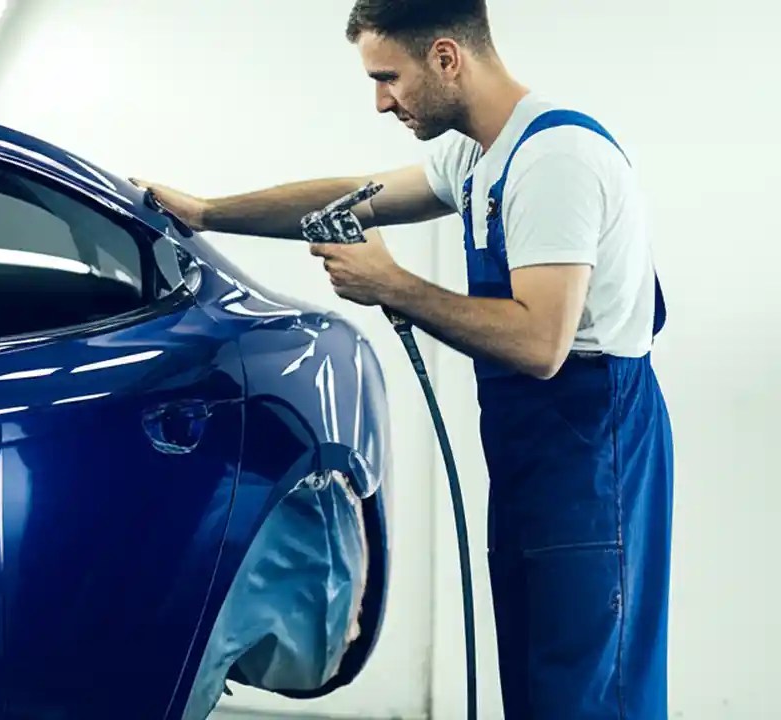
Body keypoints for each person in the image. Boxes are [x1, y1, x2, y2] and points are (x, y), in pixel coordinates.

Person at [133, 0, 675, 717]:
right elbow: (351, 197)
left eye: (388, 77)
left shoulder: (555, 160)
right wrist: (207, 212)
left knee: (589, 687)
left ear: (447, 57)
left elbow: (540, 345)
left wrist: (391, 285)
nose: (382, 101)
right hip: (536, 457)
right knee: (542, 680)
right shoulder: (476, 154)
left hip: (593, 450)